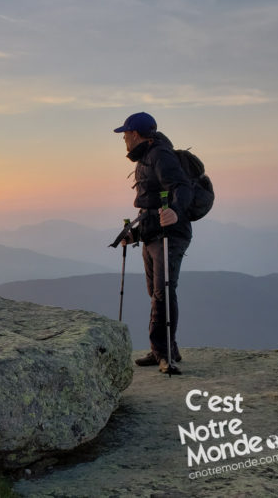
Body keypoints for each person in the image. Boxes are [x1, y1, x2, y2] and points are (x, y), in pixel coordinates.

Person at [114, 112, 193, 374]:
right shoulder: (145, 158)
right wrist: (134, 234)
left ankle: (165, 354)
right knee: (156, 292)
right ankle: (163, 348)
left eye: (125, 133)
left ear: (135, 134)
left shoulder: (160, 155)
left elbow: (182, 187)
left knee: (163, 292)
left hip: (170, 234)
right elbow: (149, 205)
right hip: (152, 233)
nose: (123, 138)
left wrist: (176, 211)